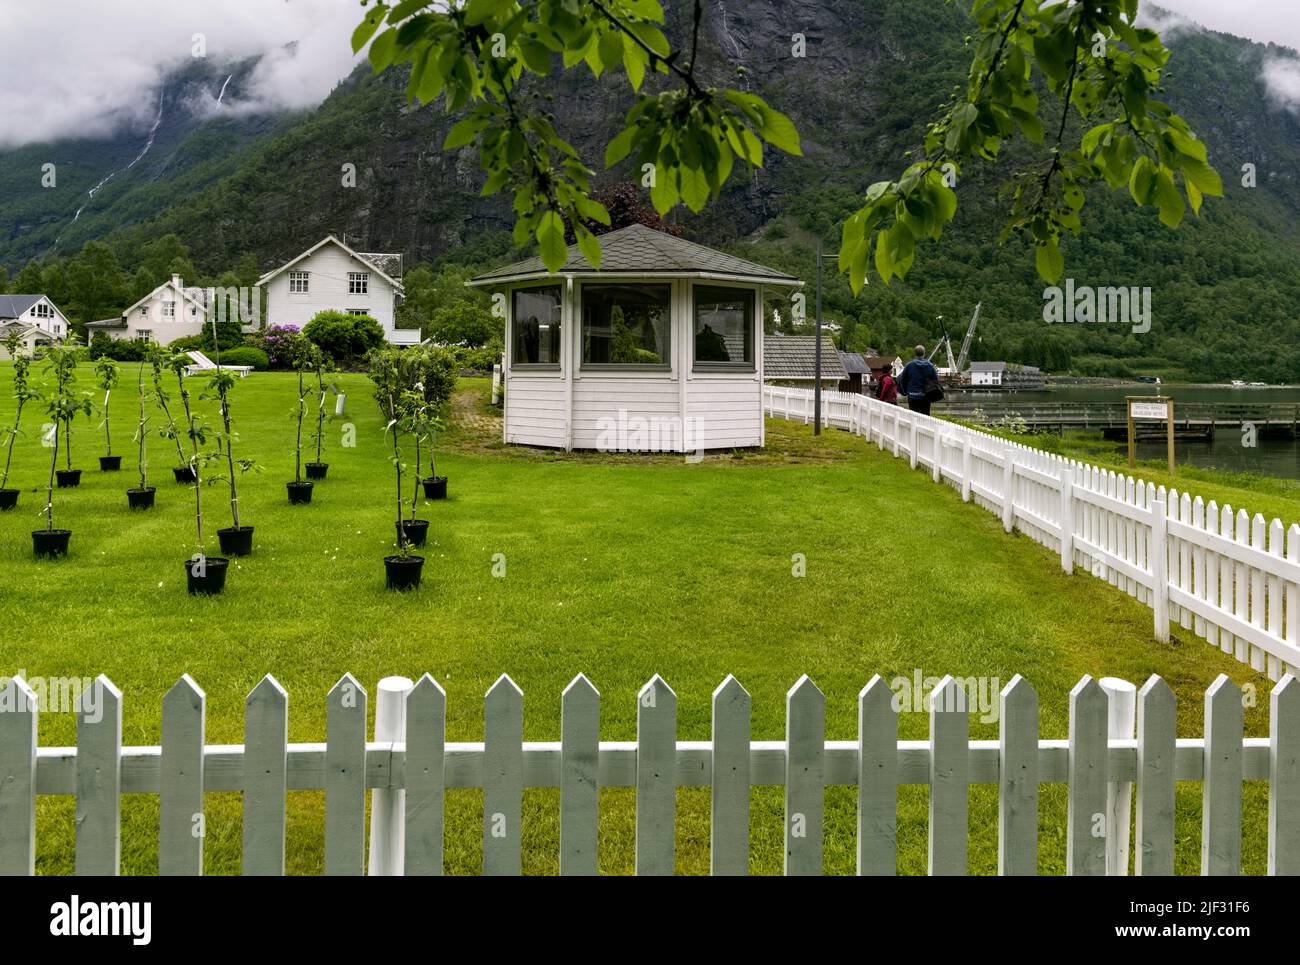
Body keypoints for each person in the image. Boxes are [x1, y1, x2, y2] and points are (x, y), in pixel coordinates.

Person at [897, 345, 939, 415]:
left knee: (913, 416)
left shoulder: (909, 366)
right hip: (926, 396)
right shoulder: (930, 366)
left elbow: (903, 380)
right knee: (925, 417)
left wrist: (905, 391)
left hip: (912, 395)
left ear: (915, 353)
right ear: (924, 353)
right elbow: (936, 380)